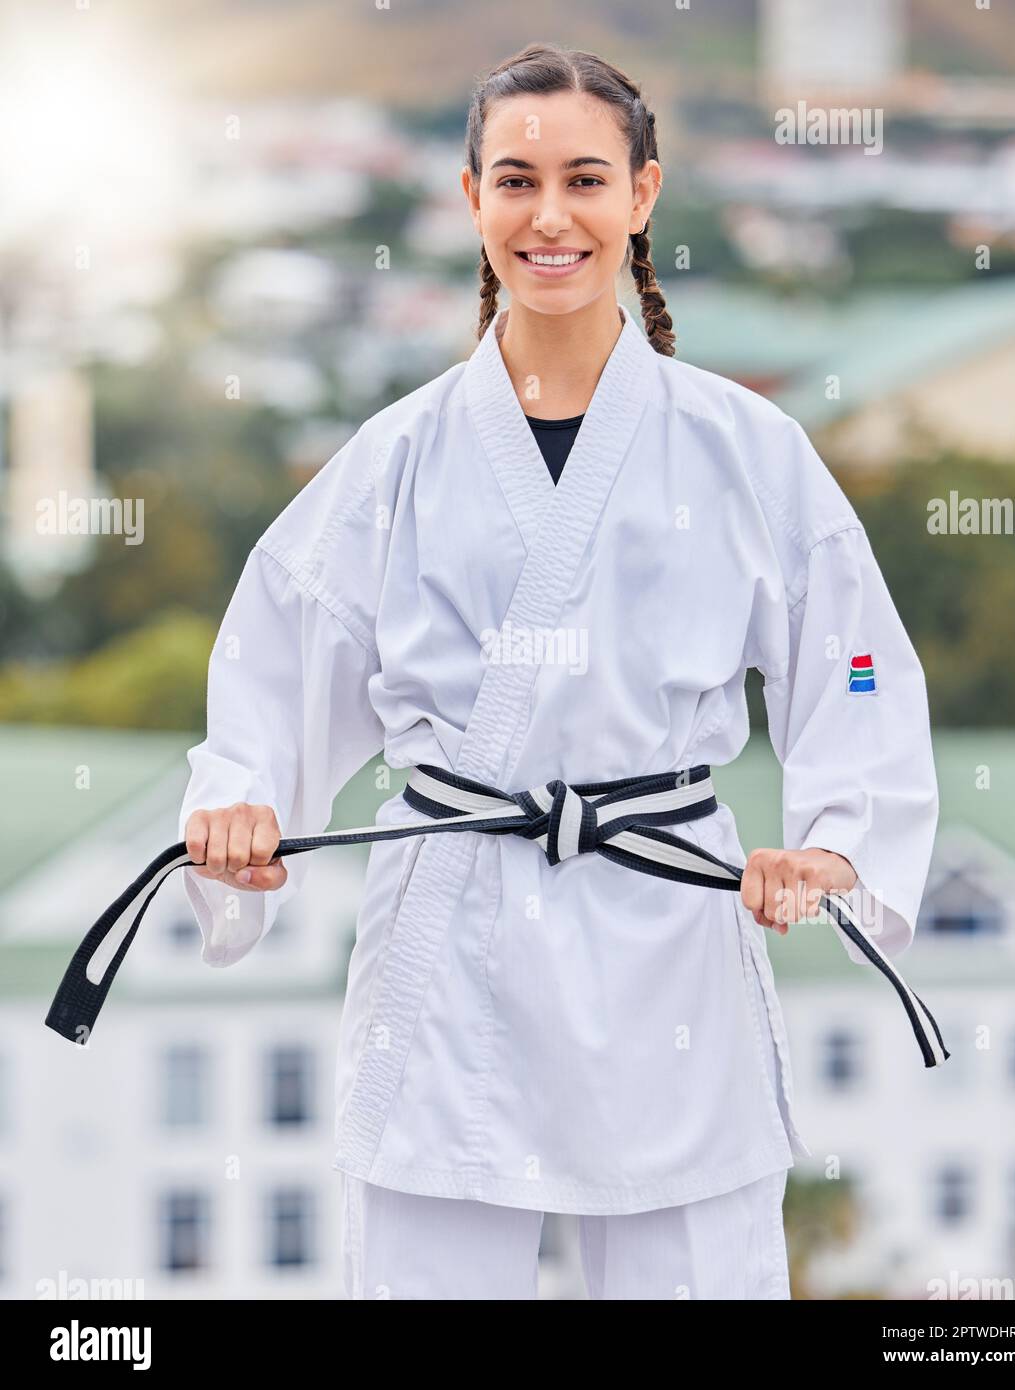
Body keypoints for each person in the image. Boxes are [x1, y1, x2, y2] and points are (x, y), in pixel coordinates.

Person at [178, 43, 939, 1300]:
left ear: (642, 195)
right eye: (516, 180)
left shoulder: (746, 449)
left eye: (585, 178)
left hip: (666, 925)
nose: (550, 215)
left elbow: (853, 662)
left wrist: (838, 838)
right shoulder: (399, 456)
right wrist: (246, 799)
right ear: (471, 199)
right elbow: (275, 657)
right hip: (451, 925)